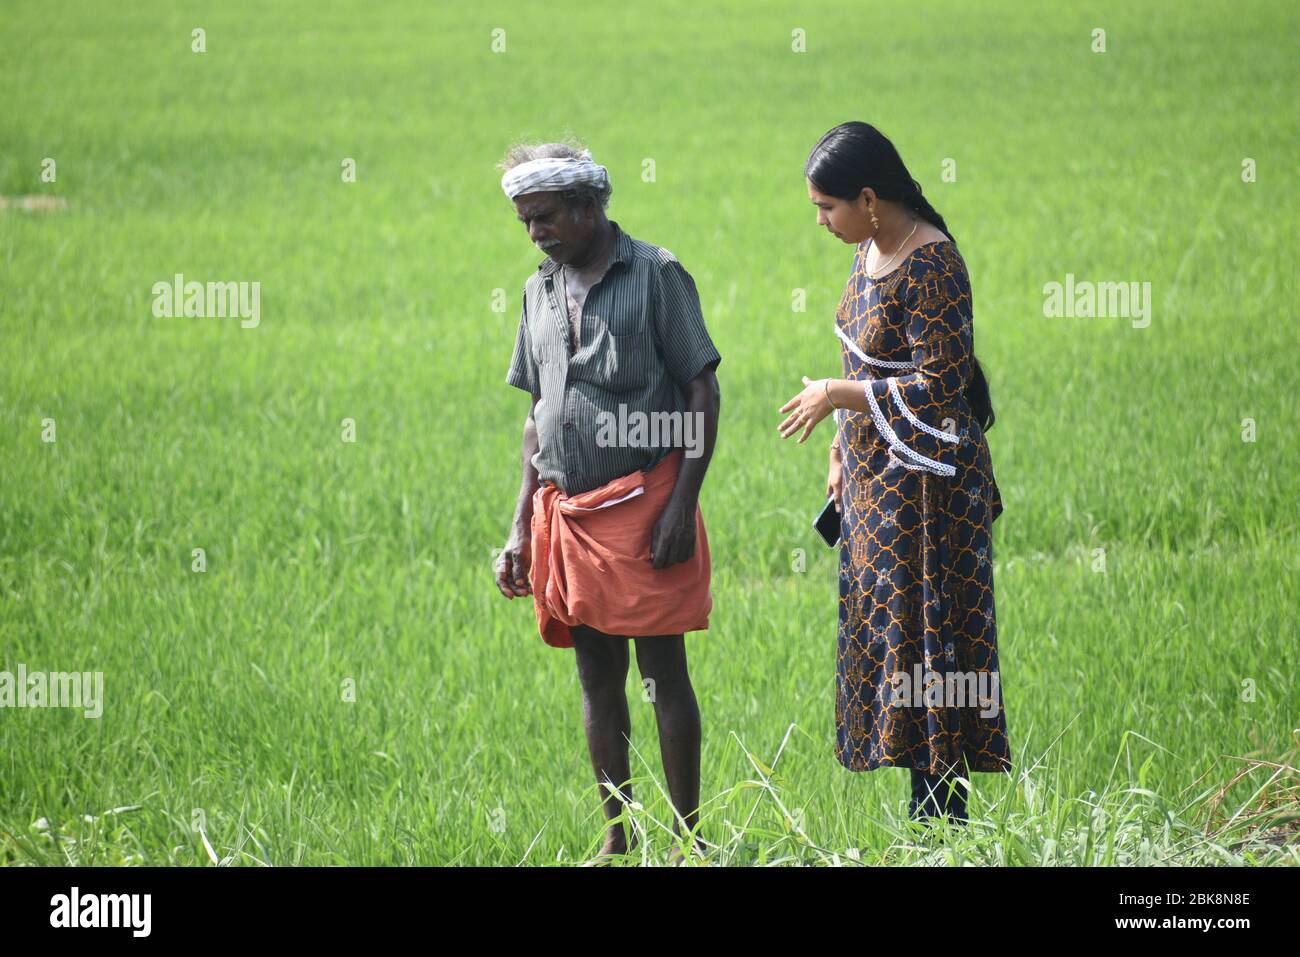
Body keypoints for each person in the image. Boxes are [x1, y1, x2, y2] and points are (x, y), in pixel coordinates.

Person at [777, 121, 1011, 828]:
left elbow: (939, 382)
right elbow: (864, 361)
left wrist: (835, 398)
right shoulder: (870, 250)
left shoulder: (934, 263)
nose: (821, 221)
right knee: (893, 641)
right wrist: (839, 456)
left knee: (934, 645)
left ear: (870, 196)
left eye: (827, 207)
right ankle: (925, 823)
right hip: (879, 487)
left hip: (934, 488)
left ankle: (943, 825)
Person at [494, 140, 722, 862]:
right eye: (527, 221)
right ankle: (617, 837)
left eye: (548, 216)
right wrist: (521, 525)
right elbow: (537, 414)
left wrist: (681, 504)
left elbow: (701, 389)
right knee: (597, 676)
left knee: (663, 673)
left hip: (647, 504)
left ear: (591, 203)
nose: (537, 232)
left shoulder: (655, 274)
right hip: (569, 514)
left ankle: (688, 838)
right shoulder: (538, 290)